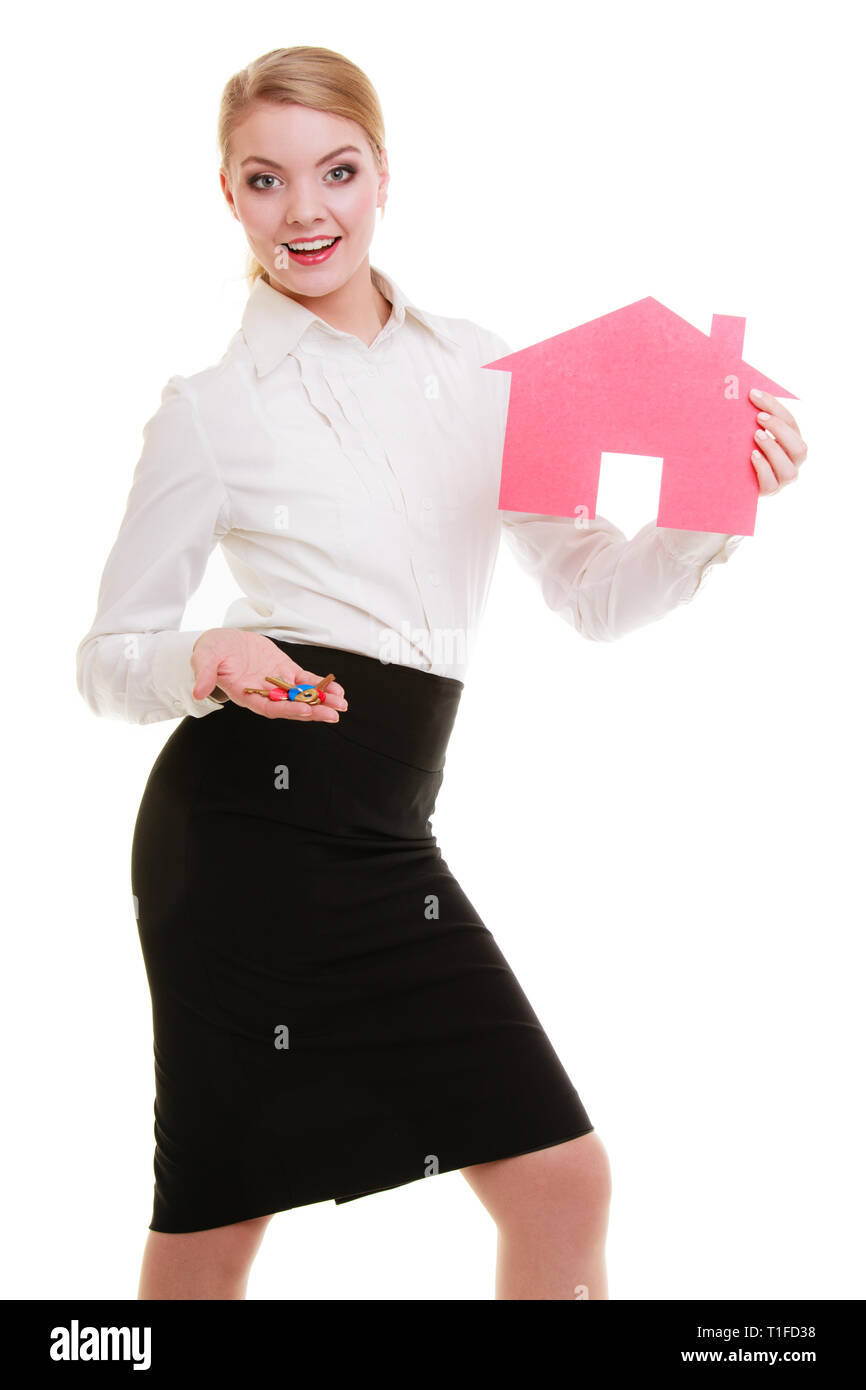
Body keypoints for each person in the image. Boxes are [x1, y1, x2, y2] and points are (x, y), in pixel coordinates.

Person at [75, 45, 808, 1302]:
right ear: (228, 195)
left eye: (335, 172)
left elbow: (588, 592)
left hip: (382, 829)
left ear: (380, 178)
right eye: (266, 179)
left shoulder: (485, 374)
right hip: (243, 835)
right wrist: (208, 652)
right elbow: (104, 661)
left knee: (559, 1182)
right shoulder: (209, 406)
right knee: (218, 1207)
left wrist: (714, 503)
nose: (304, 211)